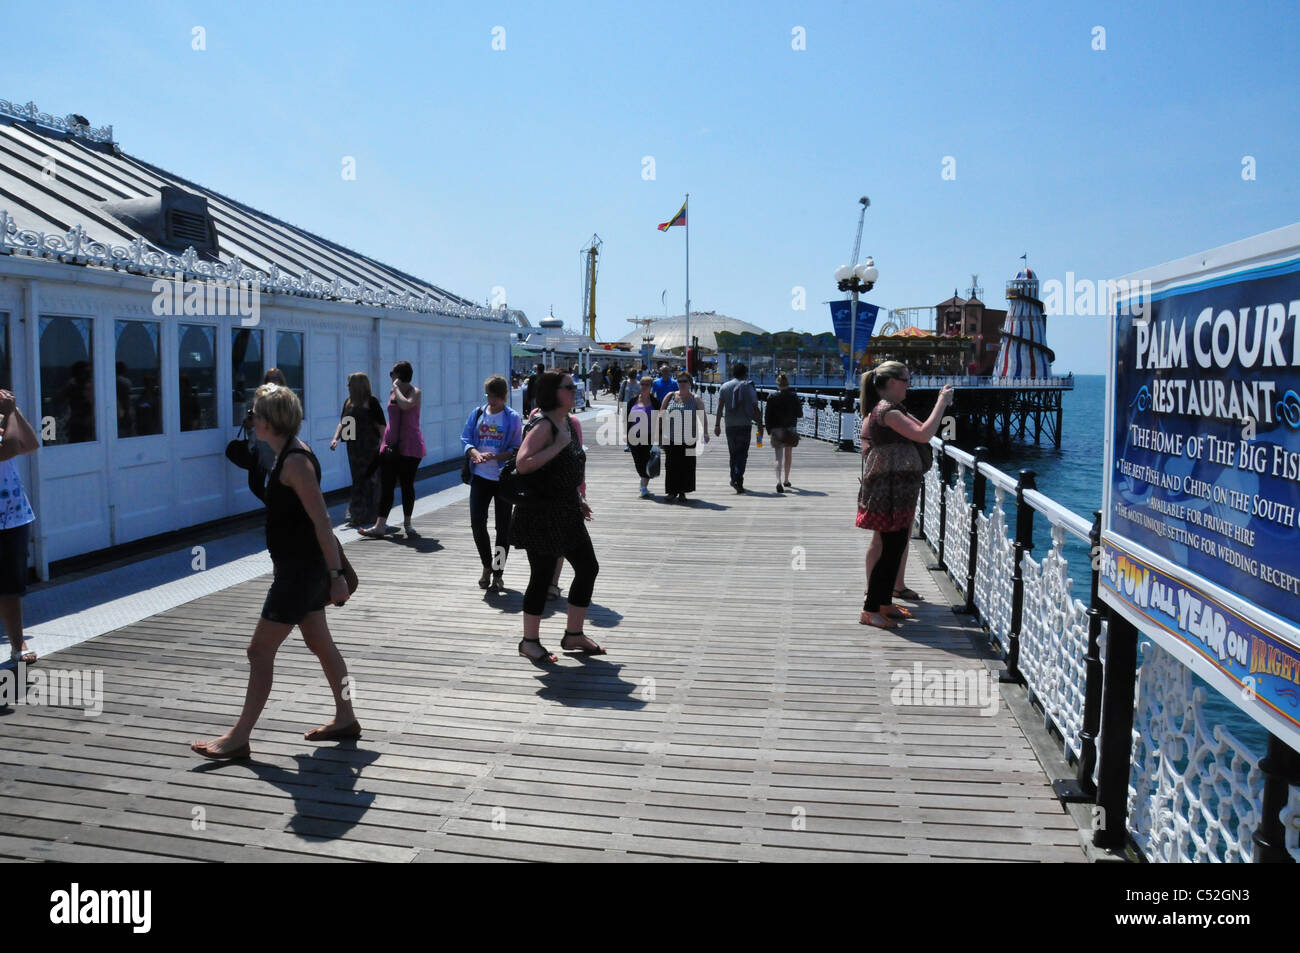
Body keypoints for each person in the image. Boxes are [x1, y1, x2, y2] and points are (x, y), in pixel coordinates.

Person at [191, 383, 359, 760]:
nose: (250, 421)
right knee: (321, 644)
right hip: (299, 568)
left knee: (258, 650)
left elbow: (321, 521)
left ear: (269, 421)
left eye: (254, 415)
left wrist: (336, 576)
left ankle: (239, 738)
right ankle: (346, 716)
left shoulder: (296, 462)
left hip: (301, 572)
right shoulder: (287, 454)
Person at [509, 371, 603, 663]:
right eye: (569, 388)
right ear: (553, 391)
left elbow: (566, 469)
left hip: (566, 510)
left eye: (575, 387)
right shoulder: (544, 425)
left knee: (588, 567)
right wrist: (558, 445)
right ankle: (530, 641)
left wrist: (578, 497)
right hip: (541, 513)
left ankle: (573, 634)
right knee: (541, 576)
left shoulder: (567, 423)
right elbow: (522, 464)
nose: (574, 391)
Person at [856, 361, 953, 629]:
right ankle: (870, 610)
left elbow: (922, 429)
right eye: (906, 380)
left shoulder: (895, 409)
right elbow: (924, 435)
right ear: (891, 383)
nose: (909, 384)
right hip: (888, 489)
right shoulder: (887, 411)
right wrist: (941, 403)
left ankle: (884, 602)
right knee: (889, 549)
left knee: (896, 546)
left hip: (898, 487)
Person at [462, 374, 524, 592]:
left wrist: (496, 457)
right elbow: (466, 438)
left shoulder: (513, 418)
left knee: (502, 529)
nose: (492, 401)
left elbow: (517, 449)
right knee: (477, 524)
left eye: (496, 397)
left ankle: (498, 572)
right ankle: (486, 565)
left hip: (502, 478)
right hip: (480, 477)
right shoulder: (478, 413)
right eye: (489, 395)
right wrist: (474, 452)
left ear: (504, 396)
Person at [360, 361, 425, 538]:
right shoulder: (392, 393)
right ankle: (379, 525)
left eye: (392, 373)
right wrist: (384, 442)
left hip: (410, 445)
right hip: (391, 444)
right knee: (387, 485)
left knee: (406, 484)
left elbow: (406, 405)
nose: (390, 377)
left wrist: (396, 388)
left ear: (399, 375)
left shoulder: (415, 392)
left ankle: (408, 523)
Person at [0, 390, 38, 667]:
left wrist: (14, 411)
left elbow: (30, 443)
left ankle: (17, 644)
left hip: (13, 517)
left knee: (11, 586)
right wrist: (9, 412)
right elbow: (9, 449)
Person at [330, 372, 385, 527]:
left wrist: (385, 445)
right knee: (358, 479)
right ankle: (357, 513)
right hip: (353, 447)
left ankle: (371, 514)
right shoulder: (349, 402)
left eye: (350, 384)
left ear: (358, 385)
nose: (347, 387)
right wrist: (335, 438)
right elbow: (343, 422)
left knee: (370, 479)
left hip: (369, 446)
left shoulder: (372, 402)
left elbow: (381, 425)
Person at [659, 371, 709, 503]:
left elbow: (702, 416)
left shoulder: (695, 399)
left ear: (689, 383)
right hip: (671, 437)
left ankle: (682, 492)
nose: (681, 384)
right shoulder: (670, 396)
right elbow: (661, 414)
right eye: (679, 381)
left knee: (687, 465)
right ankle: (671, 491)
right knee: (671, 465)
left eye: (684, 381)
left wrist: (705, 432)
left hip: (689, 438)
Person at [714, 362, 763, 493]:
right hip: (745, 425)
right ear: (745, 373)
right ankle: (737, 479)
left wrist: (717, 425)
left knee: (733, 454)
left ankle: (734, 477)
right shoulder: (748, 387)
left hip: (730, 425)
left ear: (733, 373)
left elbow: (719, 407)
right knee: (742, 454)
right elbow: (755, 407)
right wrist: (760, 425)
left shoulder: (724, 387)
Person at [765, 373, 803, 494]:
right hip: (790, 429)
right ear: (788, 384)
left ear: (778, 384)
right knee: (788, 454)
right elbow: (800, 414)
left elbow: (767, 416)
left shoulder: (772, 397)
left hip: (776, 429)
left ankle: (778, 481)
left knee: (778, 457)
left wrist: (768, 429)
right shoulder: (794, 396)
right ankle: (786, 479)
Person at [626, 376, 660, 498]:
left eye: (647, 384)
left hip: (649, 436)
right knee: (638, 462)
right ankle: (643, 481)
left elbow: (660, 420)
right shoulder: (633, 401)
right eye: (642, 384)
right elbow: (627, 419)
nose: (644, 386)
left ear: (651, 387)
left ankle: (644, 487)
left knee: (647, 461)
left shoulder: (655, 402)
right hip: (634, 436)